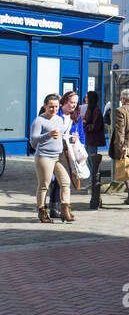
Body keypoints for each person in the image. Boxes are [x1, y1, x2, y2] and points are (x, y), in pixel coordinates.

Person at [30, 93, 74, 223]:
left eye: (56, 107)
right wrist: (48, 135)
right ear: (45, 106)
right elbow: (33, 142)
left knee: (65, 182)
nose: (54, 109)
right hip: (44, 156)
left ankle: (65, 210)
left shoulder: (59, 119)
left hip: (59, 156)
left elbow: (61, 135)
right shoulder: (39, 120)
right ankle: (42, 211)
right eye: (51, 107)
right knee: (44, 185)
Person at [82, 91, 106, 210]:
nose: (84, 98)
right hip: (88, 139)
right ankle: (92, 183)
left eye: (86, 97)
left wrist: (85, 125)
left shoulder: (96, 110)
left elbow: (96, 126)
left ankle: (94, 184)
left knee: (92, 162)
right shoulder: (89, 109)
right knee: (89, 161)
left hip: (92, 139)